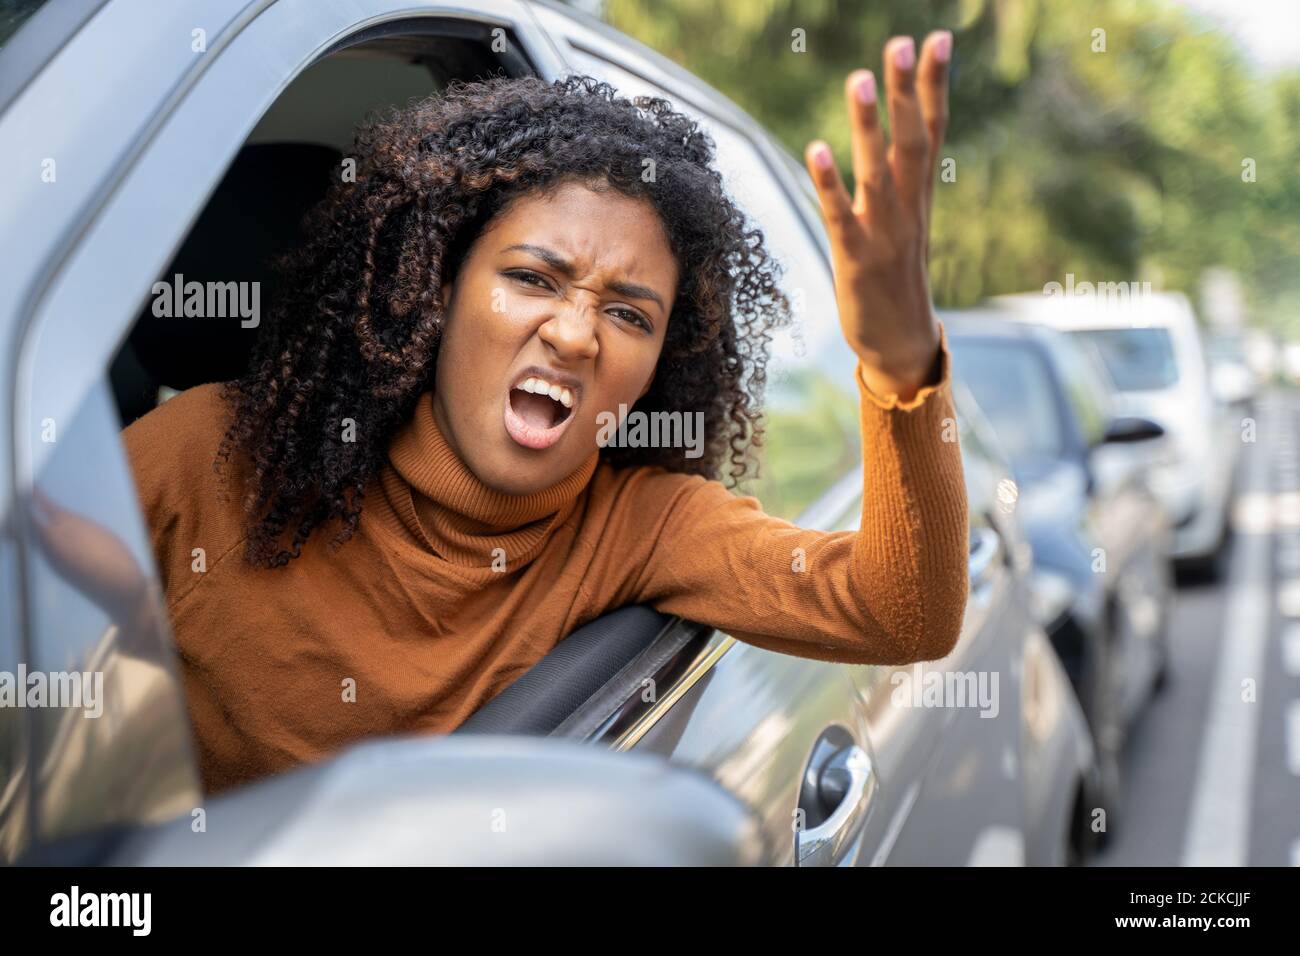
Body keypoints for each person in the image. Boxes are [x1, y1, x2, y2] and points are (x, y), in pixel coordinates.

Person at [121, 32, 969, 794]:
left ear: (657, 367)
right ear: (438, 290)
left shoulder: (639, 529)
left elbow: (902, 610)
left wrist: (902, 370)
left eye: (630, 314)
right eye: (532, 278)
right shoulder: (207, 454)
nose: (573, 334)